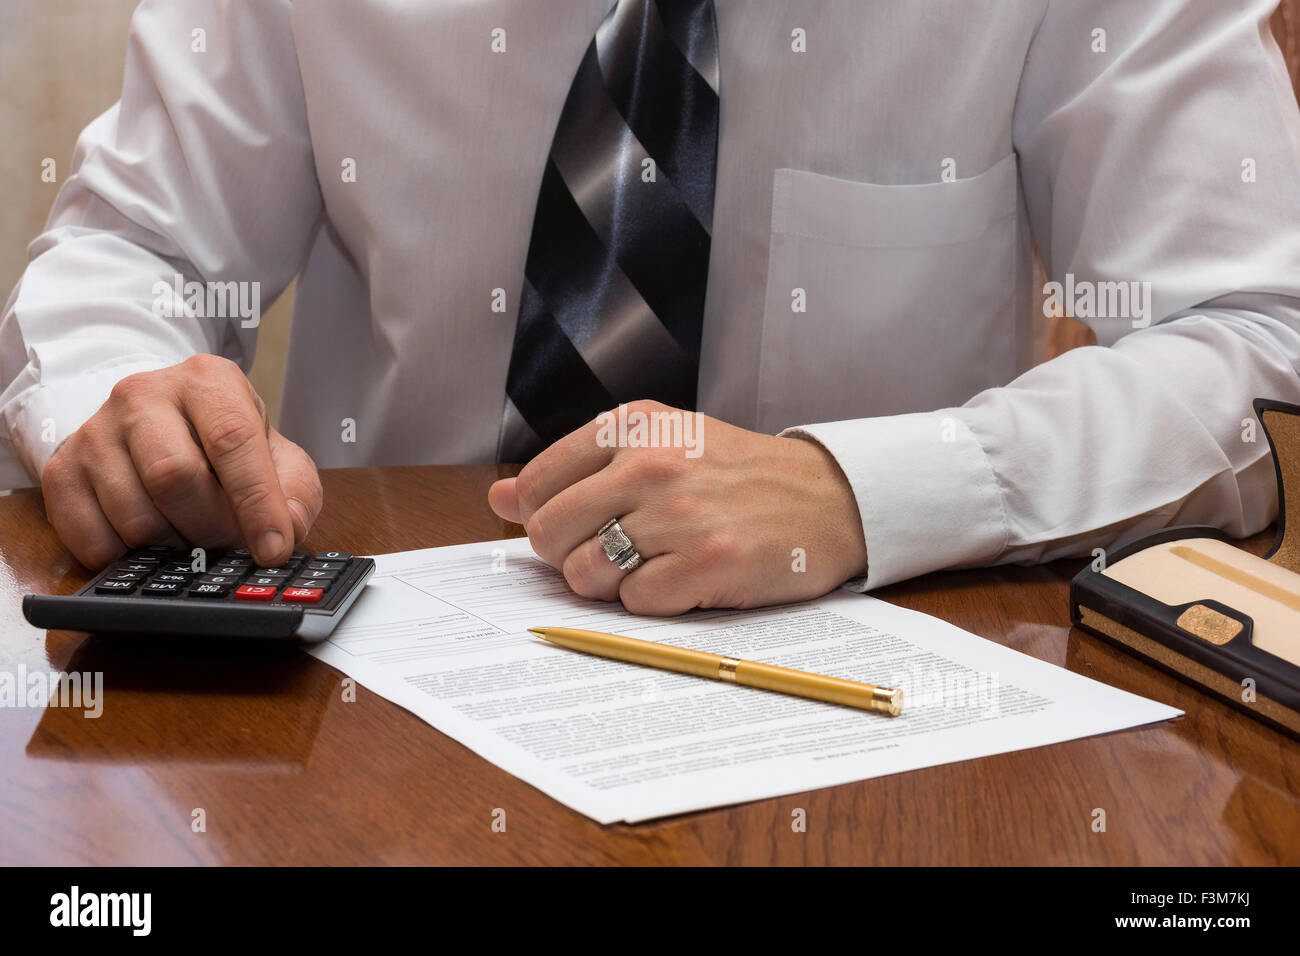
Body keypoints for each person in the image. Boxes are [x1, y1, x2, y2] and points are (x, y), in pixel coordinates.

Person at [4, 0, 1300, 616]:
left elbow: (1257, 339)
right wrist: (120, 395)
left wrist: (862, 487)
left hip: (885, 683)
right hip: (363, 672)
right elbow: (134, 247)